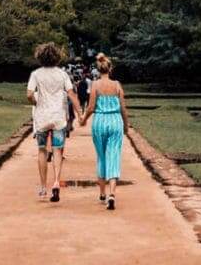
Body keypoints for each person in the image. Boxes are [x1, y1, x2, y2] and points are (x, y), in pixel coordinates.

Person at [26, 42, 80, 203]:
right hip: (58, 117)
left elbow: (29, 94)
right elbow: (71, 94)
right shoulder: (62, 74)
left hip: (42, 117)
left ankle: (43, 187)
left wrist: (36, 102)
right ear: (56, 57)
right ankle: (56, 181)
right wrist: (80, 112)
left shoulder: (36, 74)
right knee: (58, 151)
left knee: (42, 150)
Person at [81, 53, 128, 211]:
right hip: (115, 121)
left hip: (100, 122)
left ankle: (102, 193)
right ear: (110, 68)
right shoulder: (117, 85)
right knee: (113, 156)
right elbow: (123, 108)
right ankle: (112, 194)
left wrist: (84, 118)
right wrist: (126, 125)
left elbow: (91, 107)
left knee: (101, 156)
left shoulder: (95, 85)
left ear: (98, 69)